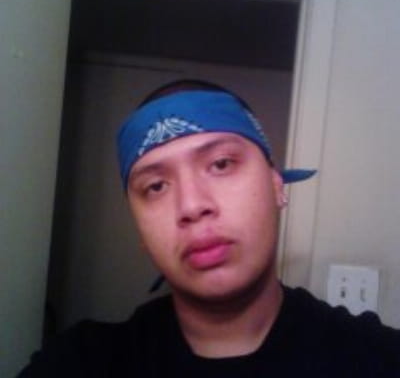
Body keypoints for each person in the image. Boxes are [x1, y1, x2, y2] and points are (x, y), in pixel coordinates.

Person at [19, 80, 400, 377]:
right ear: (141, 233)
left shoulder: (375, 359)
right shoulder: (80, 363)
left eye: (221, 164)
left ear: (276, 185)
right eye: (156, 186)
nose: (191, 205)